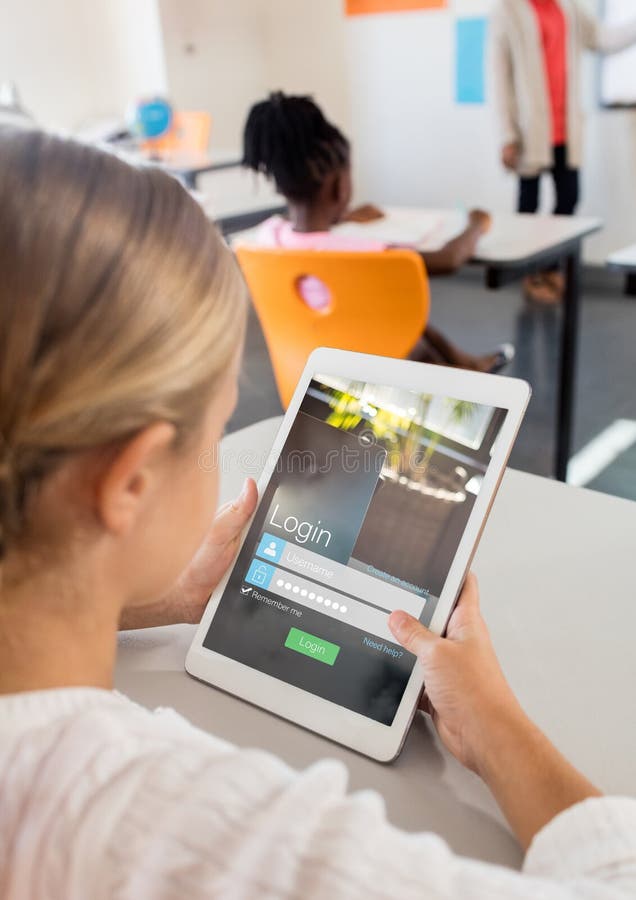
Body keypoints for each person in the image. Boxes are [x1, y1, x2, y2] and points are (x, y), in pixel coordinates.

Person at [1, 126, 635, 899]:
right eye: (218, 426)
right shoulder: (189, 839)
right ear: (129, 481)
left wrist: (163, 599)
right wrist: (496, 727)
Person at [242, 92, 514, 374]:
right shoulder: (361, 254)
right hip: (370, 374)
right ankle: (467, 377)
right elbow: (449, 258)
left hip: (305, 367)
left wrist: (342, 216)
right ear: (340, 187)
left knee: (399, 320)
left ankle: (469, 365)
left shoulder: (265, 237)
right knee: (403, 325)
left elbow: (301, 230)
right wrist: (477, 224)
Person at [492, 0, 636, 303]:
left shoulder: (567, 7)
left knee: (568, 198)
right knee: (528, 205)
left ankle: (551, 269)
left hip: (566, 125)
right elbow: (499, 79)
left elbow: (603, 38)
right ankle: (530, 275)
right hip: (530, 128)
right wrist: (507, 134)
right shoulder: (508, 10)